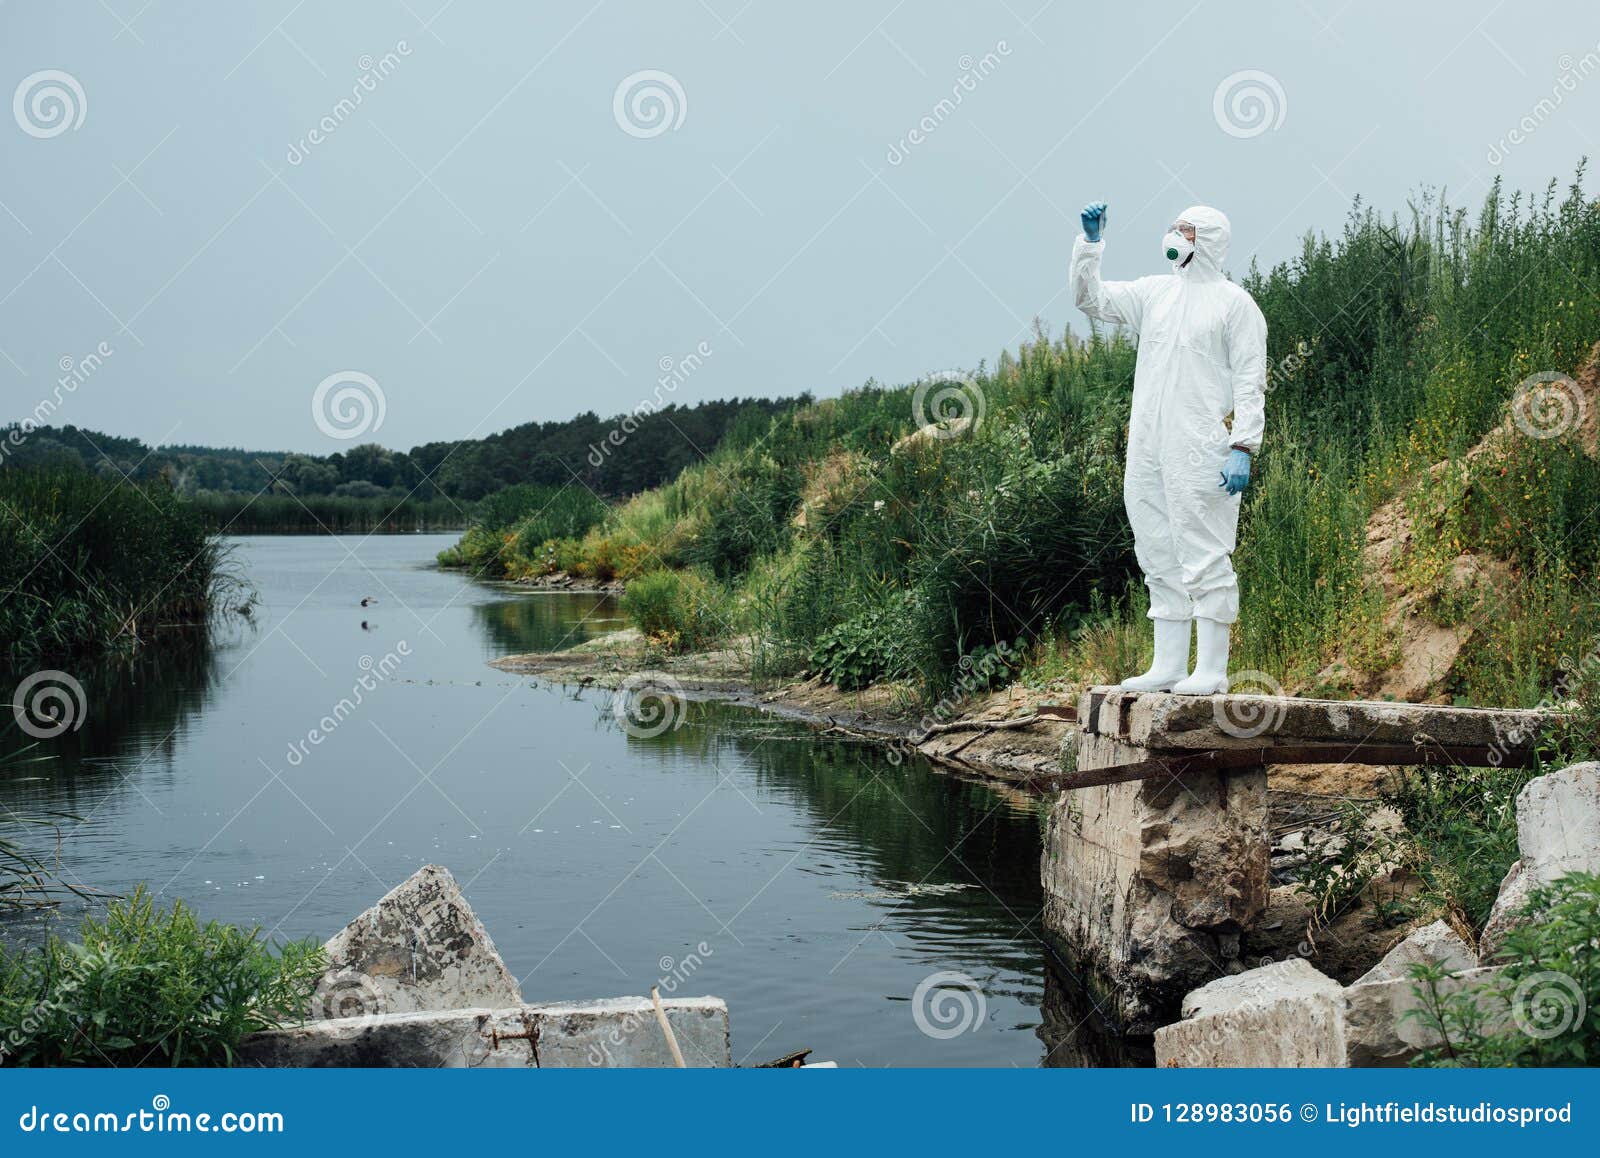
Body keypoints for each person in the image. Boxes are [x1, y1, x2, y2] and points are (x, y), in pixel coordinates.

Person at [1069, 202, 1266, 694]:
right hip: (1148, 445)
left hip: (1199, 446)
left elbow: (1250, 381)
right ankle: (1170, 664)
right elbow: (1090, 300)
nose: (1175, 236)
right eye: (1175, 227)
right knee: (1157, 547)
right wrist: (1090, 245)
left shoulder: (1235, 305)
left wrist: (1243, 444)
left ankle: (1213, 670)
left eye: (1187, 230)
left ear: (1210, 240)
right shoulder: (1155, 293)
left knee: (1204, 548)